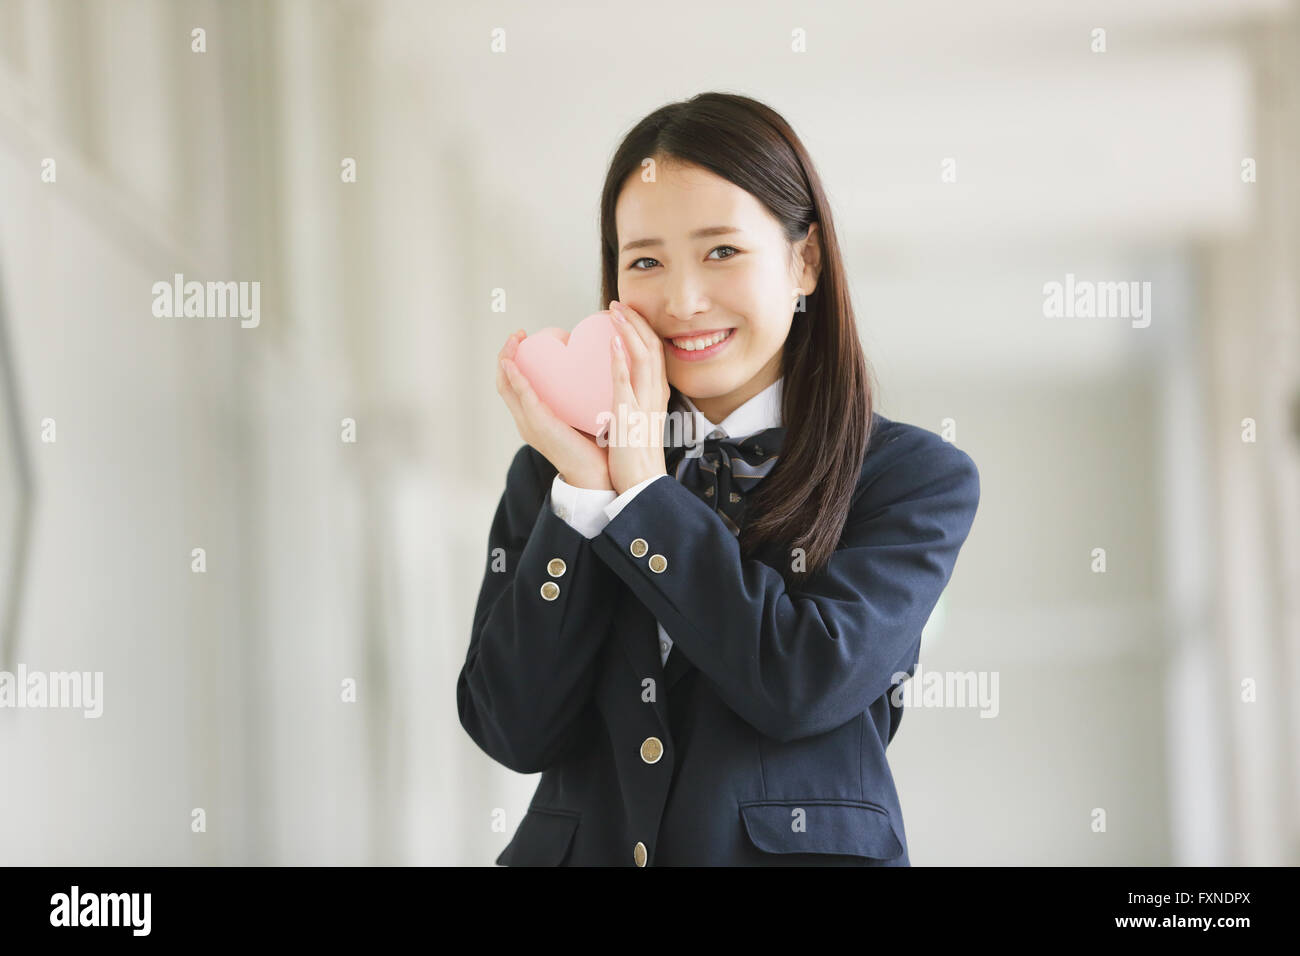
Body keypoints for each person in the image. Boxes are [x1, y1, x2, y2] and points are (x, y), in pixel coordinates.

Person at [458, 91, 980, 866]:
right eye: (644, 261)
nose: (682, 300)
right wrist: (581, 501)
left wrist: (637, 499)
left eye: (721, 251)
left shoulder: (912, 479)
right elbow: (510, 726)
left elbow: (799, 682)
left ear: (804, 262)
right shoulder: (556, 473)